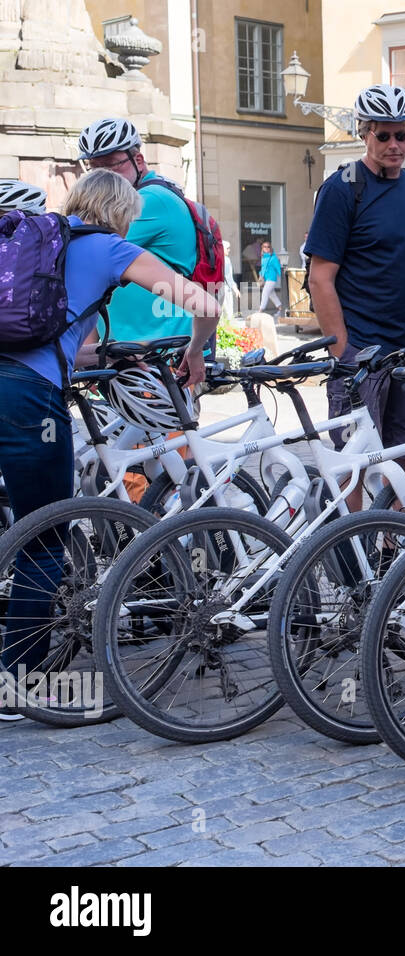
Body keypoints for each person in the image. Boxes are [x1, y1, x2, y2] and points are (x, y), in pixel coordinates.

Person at [0, 170, 218, 716]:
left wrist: (110, 355)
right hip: (27, 401)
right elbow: (203, 305)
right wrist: (195, 352)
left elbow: (59, 340)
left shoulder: (35, 241)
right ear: (122, 212)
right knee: (44, 538)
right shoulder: (108, 247)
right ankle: (16, 683)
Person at [305, 84, 405, 510]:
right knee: (353, 462)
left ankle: (391, 550)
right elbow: (320, 278)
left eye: (403, 135)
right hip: (361, 351)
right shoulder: (343, 188)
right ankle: (354, 550)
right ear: (364, 133)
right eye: (384, 136)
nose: (395, 145)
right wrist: (343, 351)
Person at [77, 118, 198, 344]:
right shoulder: (149, 194)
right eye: (94, 168)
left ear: (138, 161)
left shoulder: (151, 200)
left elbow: (88, 249)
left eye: (111, 165)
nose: (103, 177)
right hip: (133, 344)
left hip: (158, 348)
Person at [257, 240, 283, 316]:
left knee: (265, 292)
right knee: (272, 294)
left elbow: (278, 268)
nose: (266, 248)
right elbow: (263, 268)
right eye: (264, 247)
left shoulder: (273, 257)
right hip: (265, 279)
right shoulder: (263, 257)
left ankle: (260, 310)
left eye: (268, 247)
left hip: (272, 279)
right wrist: (260, 275)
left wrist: (283, 278)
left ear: (270, 248)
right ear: (262, 248)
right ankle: (281, 308)